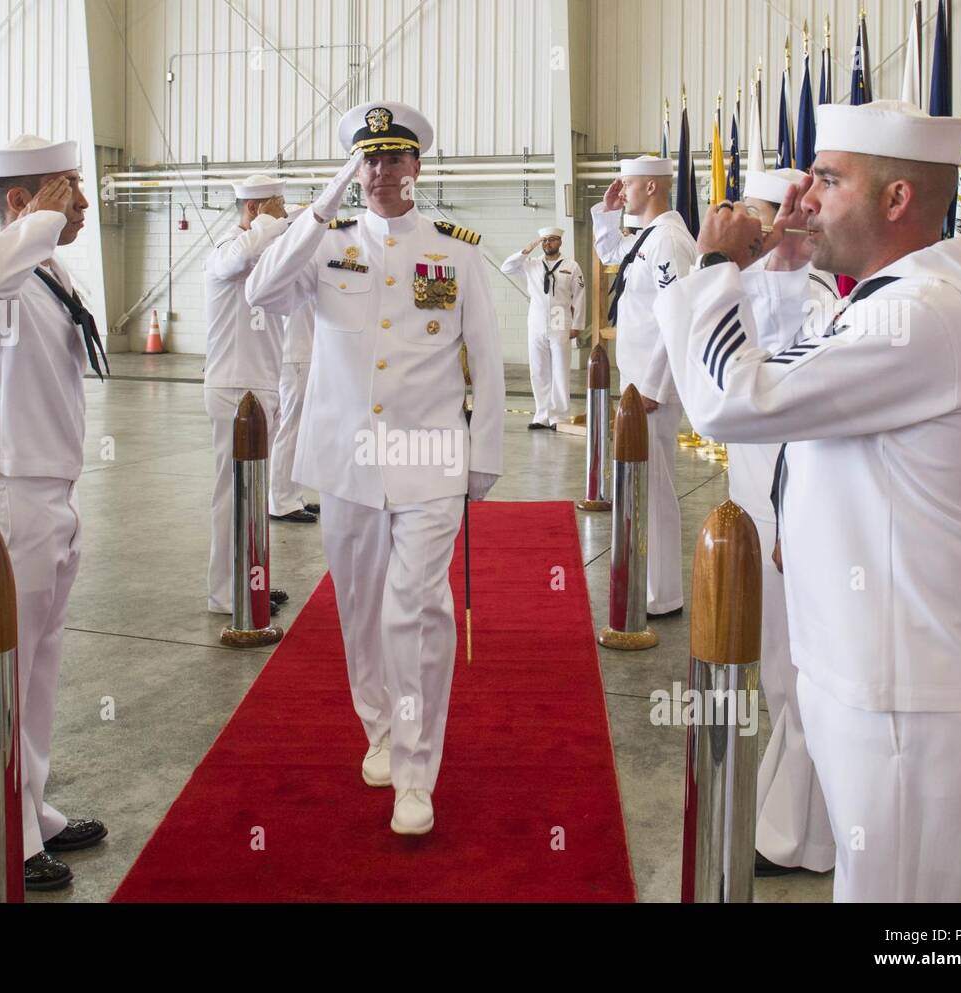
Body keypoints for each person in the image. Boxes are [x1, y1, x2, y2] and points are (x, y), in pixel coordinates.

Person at [655, 100, 961, 902]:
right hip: (869, 666)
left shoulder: (917, 314)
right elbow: (798, 370)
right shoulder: (893, 296)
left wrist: (717, 266)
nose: (806, 197)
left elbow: (735, 399)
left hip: (900, 688)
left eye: (828, 178)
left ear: (897, 200)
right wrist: (784, 270)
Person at [246, 101, 505, 835]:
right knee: (360, 609)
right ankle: (382, 730)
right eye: (370, 160)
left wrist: (481, 455)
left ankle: (417, 773)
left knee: (416, 607)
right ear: (354, 169)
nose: (383, 172)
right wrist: (321, 205)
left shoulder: (454, 251)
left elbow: (485, 360)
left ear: (417, 166)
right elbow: (260, 289)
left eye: (395, 158)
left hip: (428, 461)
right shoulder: (324, 245)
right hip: (347, 461)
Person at [0, 135, 109, 892]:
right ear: (21, 202)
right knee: (3, 674)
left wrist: (45, 222)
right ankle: (2, 828)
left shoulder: (43, 271)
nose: (81, 204)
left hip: (50, 494)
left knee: (38, 672)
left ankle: (31, 808)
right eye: (68, 188)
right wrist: (37, 219)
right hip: (2, 501)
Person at [724, 167, 837, 877]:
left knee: (800, 673)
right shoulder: (757, 292)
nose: (749, 231)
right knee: (777, 674)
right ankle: (788, 807)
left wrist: (795, 520)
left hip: (790, 513)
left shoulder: (818, 302)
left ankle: (801, 838)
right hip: (759, 505)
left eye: (758, 218)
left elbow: (809, 420)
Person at [591, 156, 697, 617]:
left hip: (653, 388)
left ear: (651, 187)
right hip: (639, 385)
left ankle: (663, 593)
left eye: (628, 184)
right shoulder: (651, 237)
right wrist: (605, 211)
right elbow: (613, 253)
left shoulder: (670, 241)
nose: (622, 189)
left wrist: (654, 385)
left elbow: (678, 319)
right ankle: (651, 585)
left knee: (654, 490)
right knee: (641, 489)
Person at [203, 174, 293, 614]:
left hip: (263, 385)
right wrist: (271, 224)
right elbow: (236, 259)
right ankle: (225, 593)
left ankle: (251, 579)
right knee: (233, 495)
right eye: (277, 206)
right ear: (256, 210)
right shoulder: (227, 250)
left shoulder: (264, 252)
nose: (284, 213)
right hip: (234, 388)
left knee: (252, 496)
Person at [500, 227, 585, 429]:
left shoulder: (571, 266)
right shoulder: (531, 264)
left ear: (560, 242)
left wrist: (578, 324)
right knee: (538, 370)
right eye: (544, 240)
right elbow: (506, 267)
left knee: (560, 370)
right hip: (537, 320)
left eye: (552, 240)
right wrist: (527, 249)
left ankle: (559, 417)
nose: (548, 244)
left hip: (560, 318)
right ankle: (541, 415)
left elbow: (580, 296)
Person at [269, 299, 321, 522]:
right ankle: (283, 502)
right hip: (297, 355)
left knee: (298, 432)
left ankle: (293, 495)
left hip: (304, 352)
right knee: (291, 430)